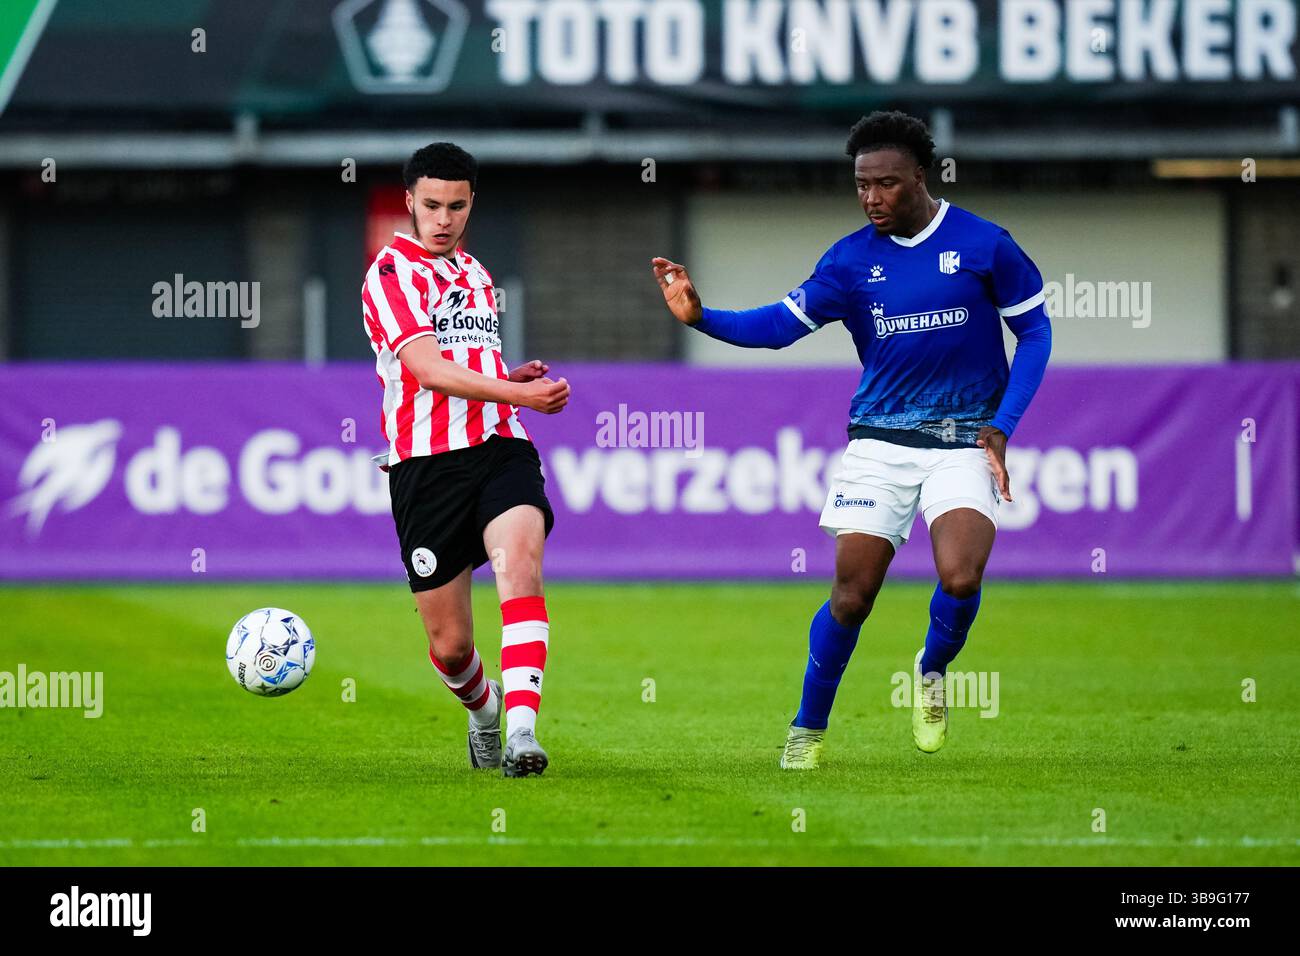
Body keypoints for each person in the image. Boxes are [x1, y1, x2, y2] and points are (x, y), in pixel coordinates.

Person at [651, 111, 1052, 766]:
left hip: (963, 440)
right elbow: (778, 327)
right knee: (853, 594)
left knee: (960, 577)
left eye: (886, 183)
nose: (871, 197)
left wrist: (1001, 427)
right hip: (880, 442)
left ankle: (930, 670)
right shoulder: (849, 261)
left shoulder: (986, 245)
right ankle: (807, 730)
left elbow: (1035, 333)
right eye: (862, 185)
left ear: (920, 177)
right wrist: (701, 317)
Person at [362, 142, 570, 776]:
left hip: (500, 446)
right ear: (409, 202)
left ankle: (523, 734)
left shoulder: (476, 273)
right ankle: (485, 713)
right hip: (426, 465)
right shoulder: (390, 274)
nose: (443, 219)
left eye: (456, 206)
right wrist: (521, 393)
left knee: (520, 568)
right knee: (452, 648)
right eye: (431, 205)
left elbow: (465, 361)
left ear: (471, 202)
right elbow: (427, 369)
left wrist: (507, 380)